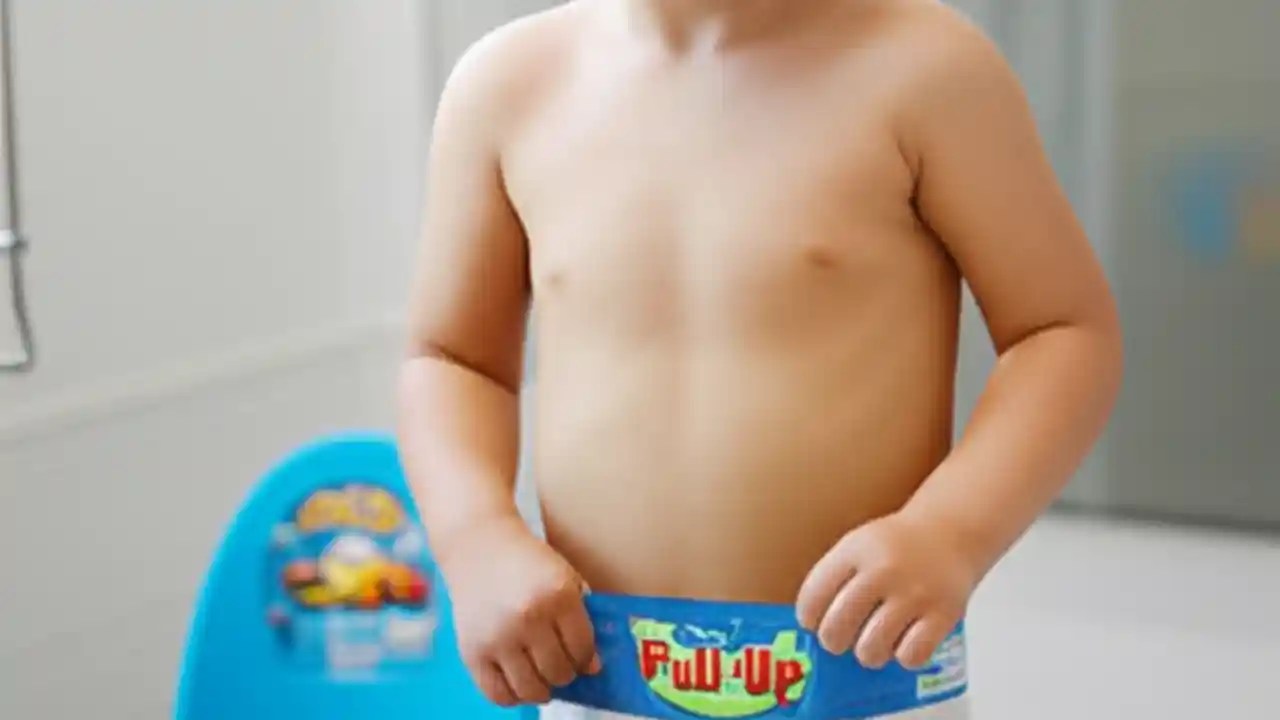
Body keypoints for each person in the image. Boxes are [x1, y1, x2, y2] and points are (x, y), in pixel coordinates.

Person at [397, 1, 1123, 718]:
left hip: (862, 674)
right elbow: (452, 357)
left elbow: (1060, 330)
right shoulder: (506, 86)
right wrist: (476, 539)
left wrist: (952, 534)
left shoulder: (927, 70)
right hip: (597, 673)